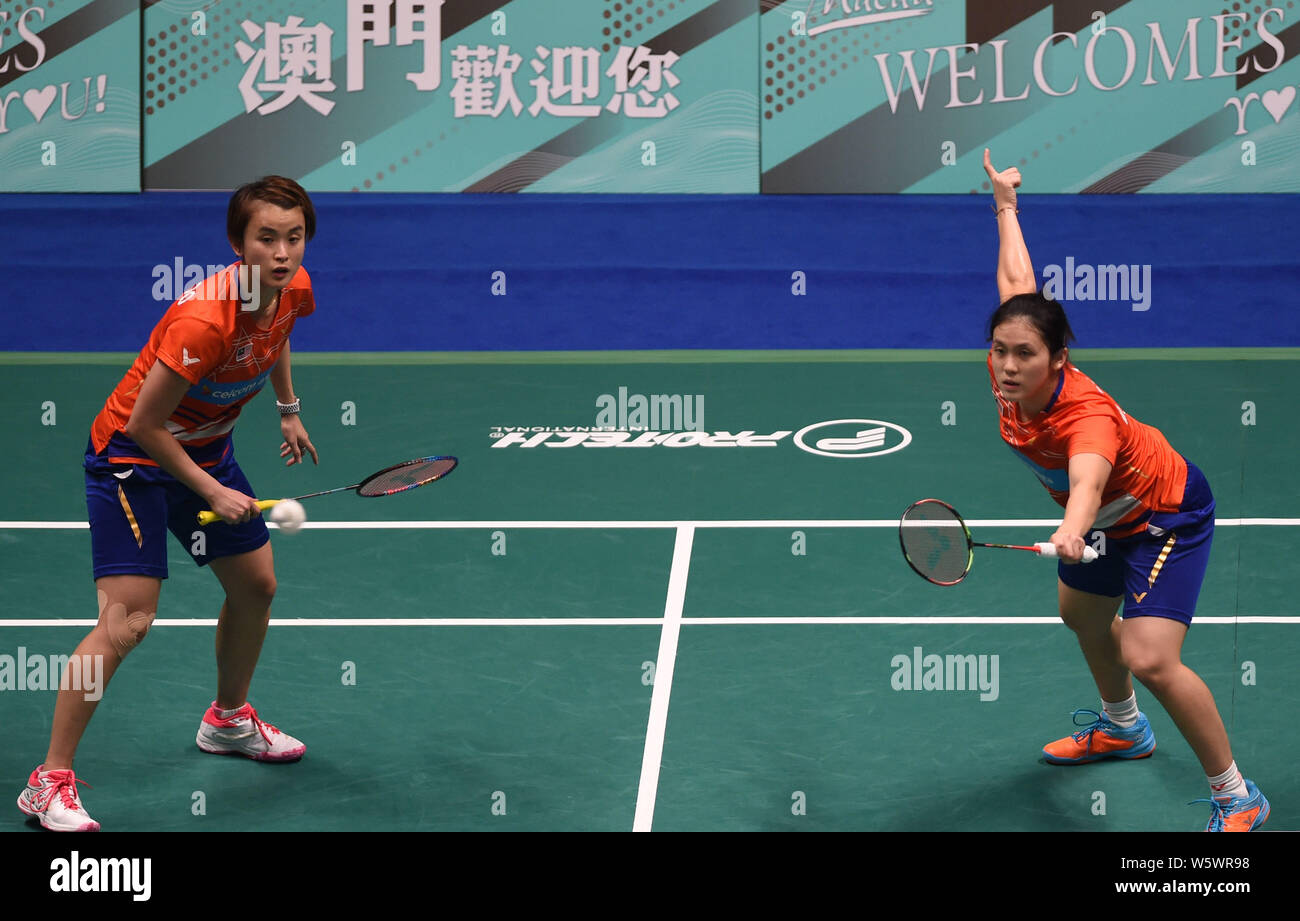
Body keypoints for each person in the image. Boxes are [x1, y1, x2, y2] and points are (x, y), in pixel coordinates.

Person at [17, 176, 319, 832]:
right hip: (132, 461)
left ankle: (229, 719)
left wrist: (287, 410)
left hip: (205, 448)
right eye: (266, 238)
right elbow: (144, 426)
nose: (282, 252)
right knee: (127, 620)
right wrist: (210, 491)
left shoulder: (292, 289)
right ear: (238, 243)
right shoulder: (204, 319)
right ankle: (49, 779)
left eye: (293, 237)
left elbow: (281, 333)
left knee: (256, 585)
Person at [981, 150, 1268, 832]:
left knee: (1149, 655)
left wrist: (1075, 527)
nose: (1009, 364)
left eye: (1024, 354)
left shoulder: (1086, 417)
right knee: (1080, 615)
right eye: (1000, 349)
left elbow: (1087, 477)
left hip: (1166, 513)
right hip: (1112, 519)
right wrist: (1004, 205)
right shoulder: (1011, 363)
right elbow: (1018, 281)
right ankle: (1123, 727)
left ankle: (1238, 794)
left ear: (1059, 360)